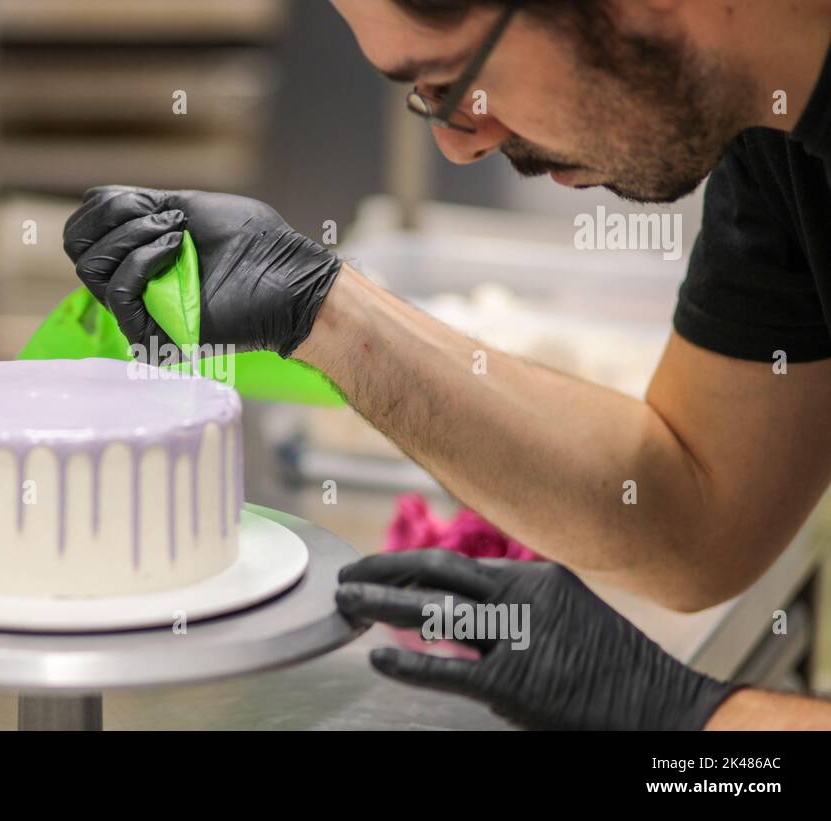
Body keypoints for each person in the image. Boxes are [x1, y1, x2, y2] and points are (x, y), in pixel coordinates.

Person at [60, 0, 831, 728]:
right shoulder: (771, 130)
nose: (459, 141)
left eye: (455, 80)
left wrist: (687, 722)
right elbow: (696, 509)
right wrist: (321, 310)